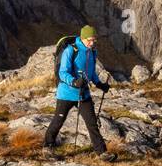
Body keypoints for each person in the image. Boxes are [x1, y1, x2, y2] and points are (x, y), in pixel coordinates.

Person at [44, 25, 113, 157]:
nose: (92, 43)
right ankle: (47, 147)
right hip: (66, 93)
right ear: (82, 38)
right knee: (58, 121)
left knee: (92, 123)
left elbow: (91, 72)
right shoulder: (71, 50)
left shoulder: (92, 52)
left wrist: (99, 84)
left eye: (94, 40)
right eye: (90, 40)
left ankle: (102, 153)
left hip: (83, 94)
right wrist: (74, 82)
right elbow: (62, 72)